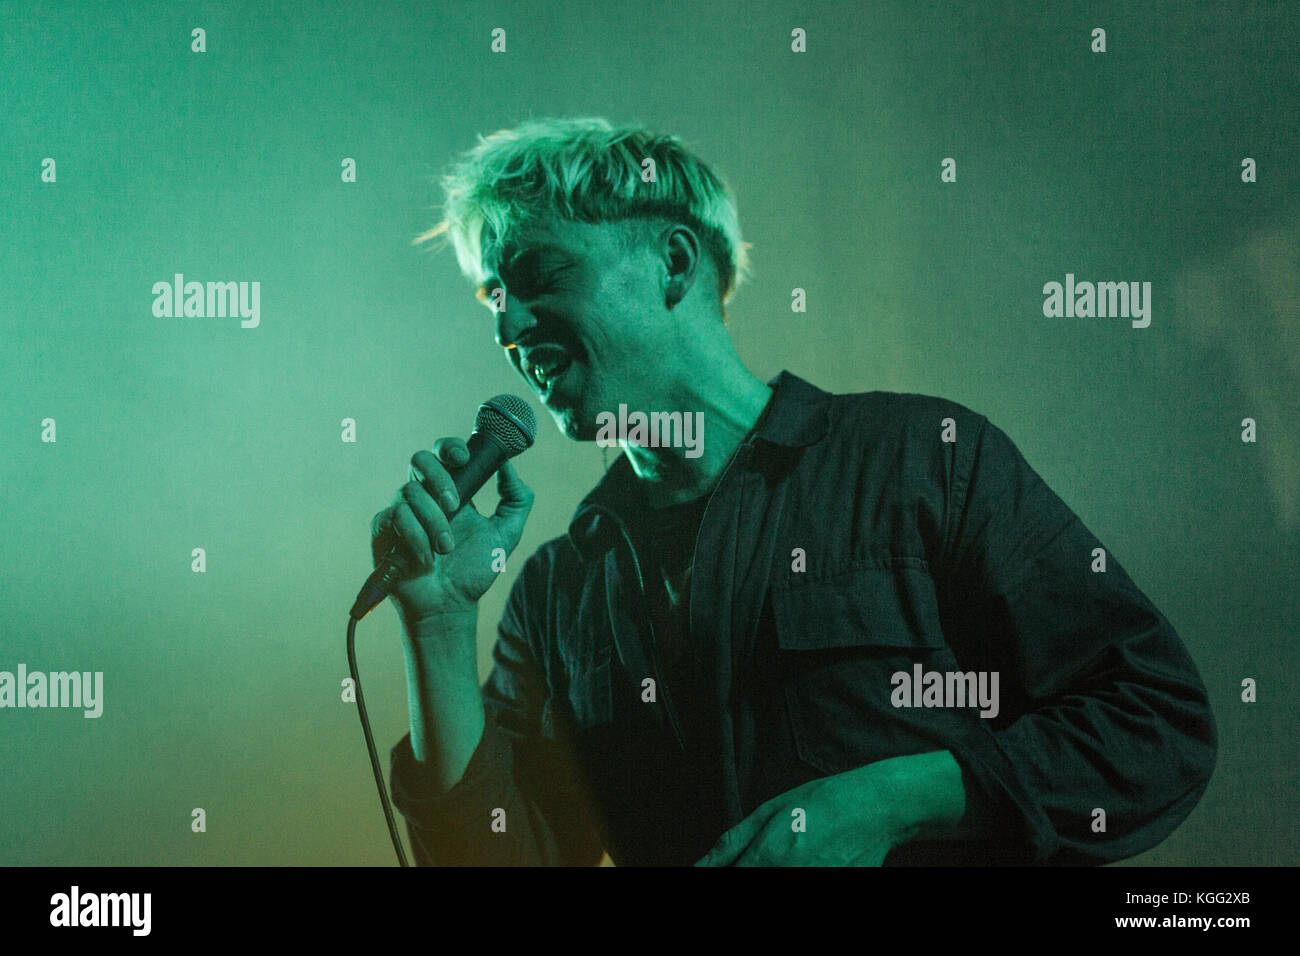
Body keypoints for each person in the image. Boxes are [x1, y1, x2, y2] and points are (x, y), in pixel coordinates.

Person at [369, 116, 1217, 866]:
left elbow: (1156, 720)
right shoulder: (556, 594)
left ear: (672, 262)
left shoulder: (922, 461)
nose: (508, 326)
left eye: (538, 275)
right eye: (494, 295)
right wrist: (437, 627)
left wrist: (893, 800)